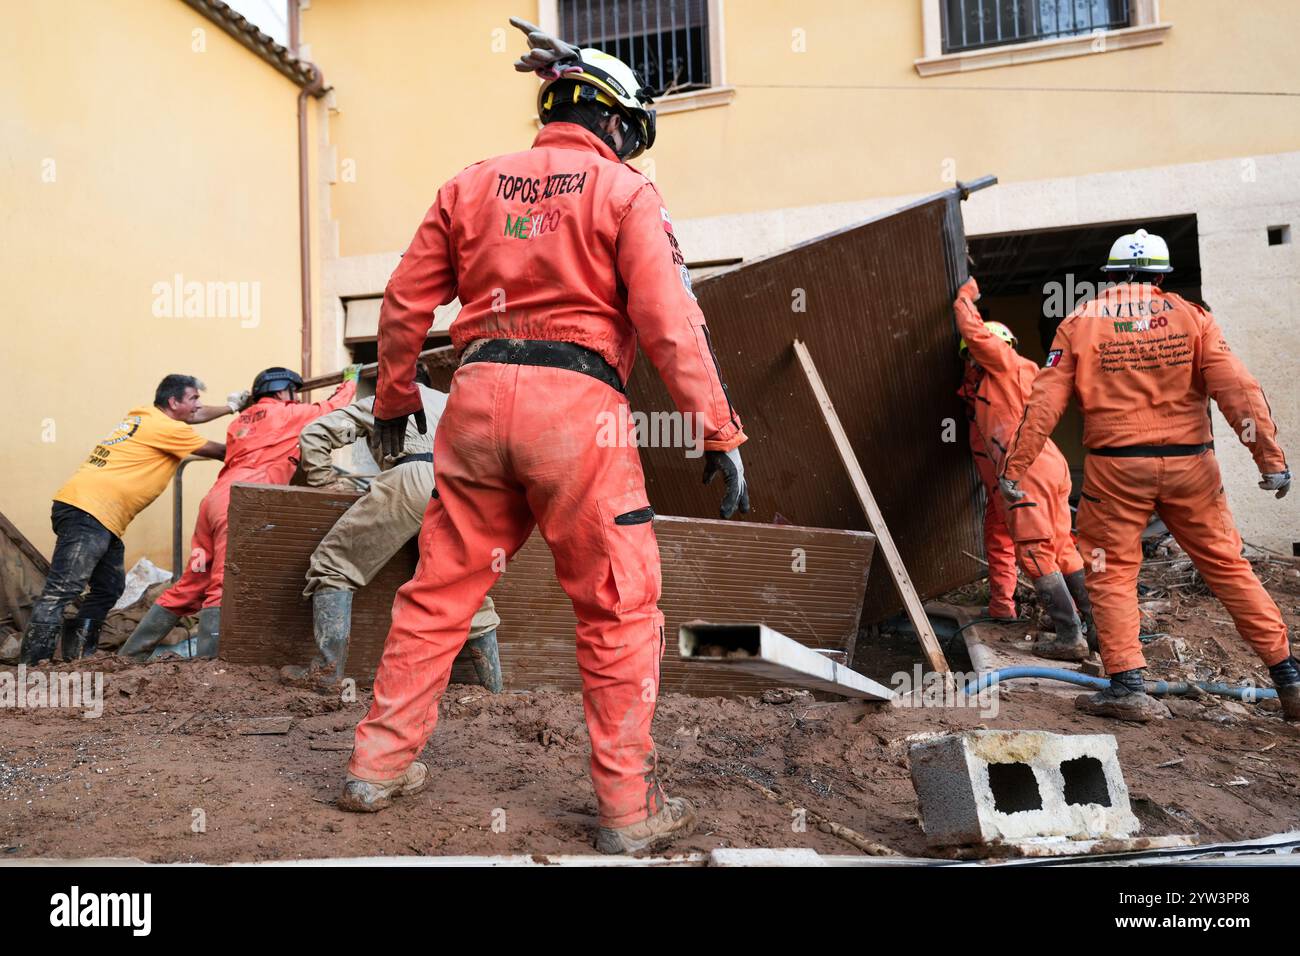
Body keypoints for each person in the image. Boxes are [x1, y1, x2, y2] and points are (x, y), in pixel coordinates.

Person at [336, 19, 750, 856]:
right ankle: (628, 813)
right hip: (578, 410)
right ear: (616, 124)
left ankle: (375, 767)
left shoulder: (469, 184)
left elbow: (403, 302)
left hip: (477, 401)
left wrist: (389, 403)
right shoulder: (626, 194)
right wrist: (717, 431)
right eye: (630, 135)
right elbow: (669, 322)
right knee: (618, 607)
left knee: (440, 591)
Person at [1000, 228, 1295, 721]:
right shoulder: (1192, 317)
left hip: (1117, 469)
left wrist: (1016, 466)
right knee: (1229, 567)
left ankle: (1127, 688)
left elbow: (1044, 402)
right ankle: (1290, 679)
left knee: (1110, 571)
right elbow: (1237, 388)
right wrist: (1269, 459)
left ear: (1111, 275)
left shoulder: (1081, 321)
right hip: (1193, 465)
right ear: (1160, 276)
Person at [283, 366, 503, 691]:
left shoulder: (385, 400)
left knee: (333, 567)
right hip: (461, 492)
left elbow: (315, 435)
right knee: (465, 590)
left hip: (410, 478)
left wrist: (324, 481)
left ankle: (327, 674)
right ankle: (493, 688)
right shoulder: (453, 404)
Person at [120, 366, 358, 660]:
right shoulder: (287, 413)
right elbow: (333, 408)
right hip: (243, 501)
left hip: (215, 499)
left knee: (191, 583)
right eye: (292, 393)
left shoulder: (240, 422)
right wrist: (350, 380)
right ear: (284, 391)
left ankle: (128, 656)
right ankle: (209, 667)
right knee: (224, 582)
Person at [19, 375, 234, 664]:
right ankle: (32, 669)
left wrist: (232, 406)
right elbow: (222, 452)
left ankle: (80, 658)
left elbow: (196, 415)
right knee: (61, 590)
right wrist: (263, 442)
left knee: (108, 587)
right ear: (174, 402)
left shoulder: (145, 415)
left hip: (93, 513)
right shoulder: (166, 428)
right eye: (194, 399)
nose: (198, 406)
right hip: (88, 511)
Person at [954, 279, 1092, 659]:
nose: (972, 362)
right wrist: (1001, 603)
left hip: (1027, 471)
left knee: (1034, 551)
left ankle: (1070, 636)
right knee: (1061, 547)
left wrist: (965, 299)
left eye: (973, 356)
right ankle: (1096, 630)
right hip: (1043, 466)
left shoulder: (1004, 365)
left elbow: (976, 335)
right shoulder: (988, 396)